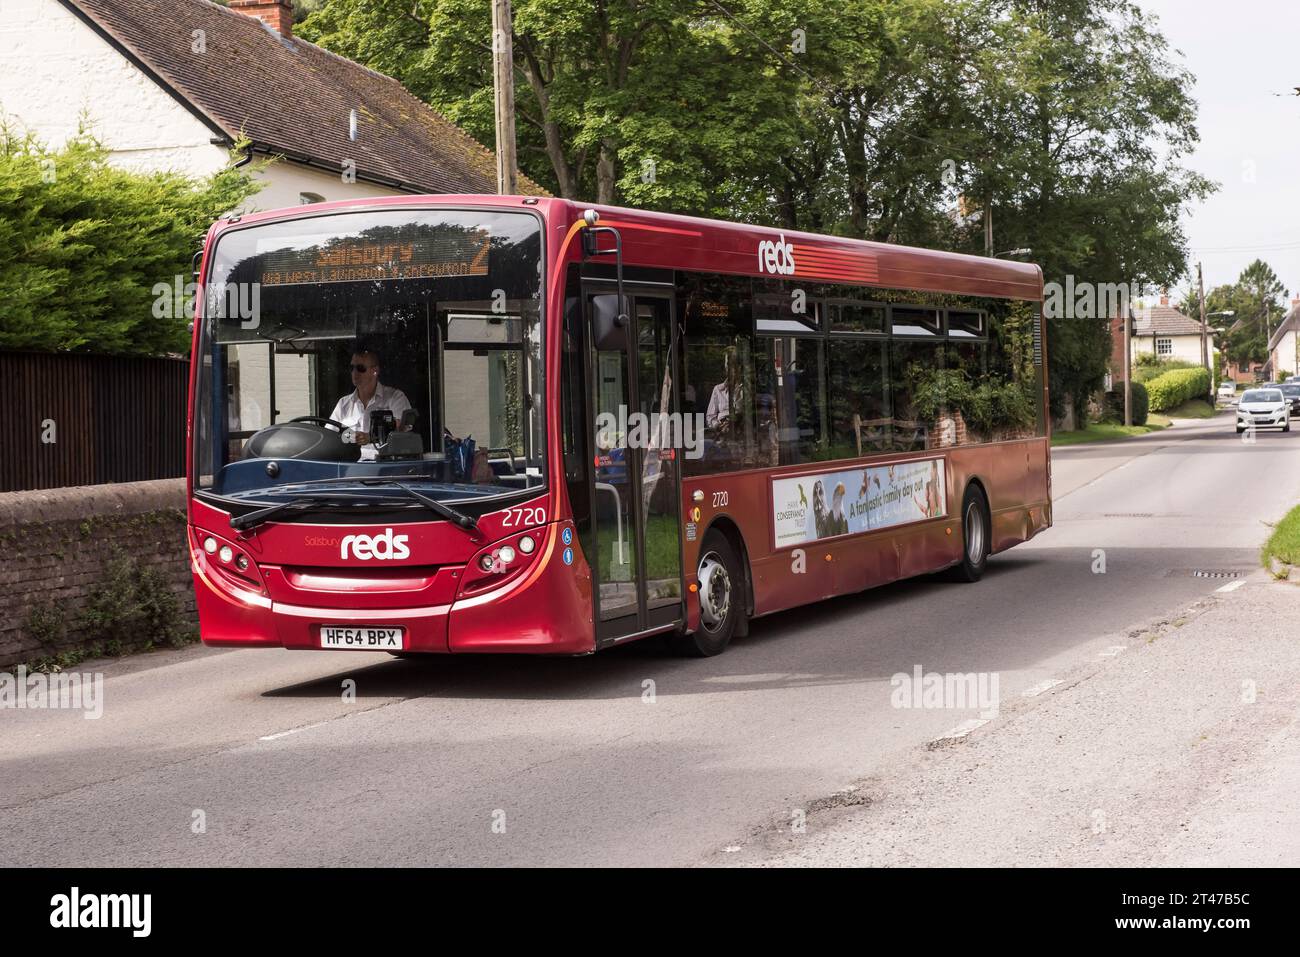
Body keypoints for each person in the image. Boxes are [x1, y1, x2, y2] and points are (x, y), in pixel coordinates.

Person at [329, 348, 411, 462]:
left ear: (375, 371)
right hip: (350, 468)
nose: (354, 372)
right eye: (351, 368)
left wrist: (371, 437)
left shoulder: (396, 398)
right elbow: (330, 436)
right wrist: (351, 437)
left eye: (360, 368)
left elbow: (401, 429)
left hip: (385, 468)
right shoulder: (343, 404)